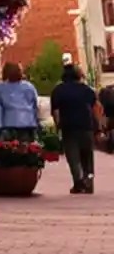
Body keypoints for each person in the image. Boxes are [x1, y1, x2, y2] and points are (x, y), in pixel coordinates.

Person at [50, 64, 104, 194]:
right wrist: (99, 127)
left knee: (73, 157)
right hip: (86, 127)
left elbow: (56, 112)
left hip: (69, 127)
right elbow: (96, 108)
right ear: (78, 75)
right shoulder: (87, 90)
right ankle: (89, 181)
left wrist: (59, 126)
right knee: (87, 157)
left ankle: (79, 182)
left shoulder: (58, 90)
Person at [0, 62, 40, 141]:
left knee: (9, 149)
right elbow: (35, 105)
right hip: (27, 123)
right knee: (27, 149)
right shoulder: (29, 87)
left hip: (8, 123)